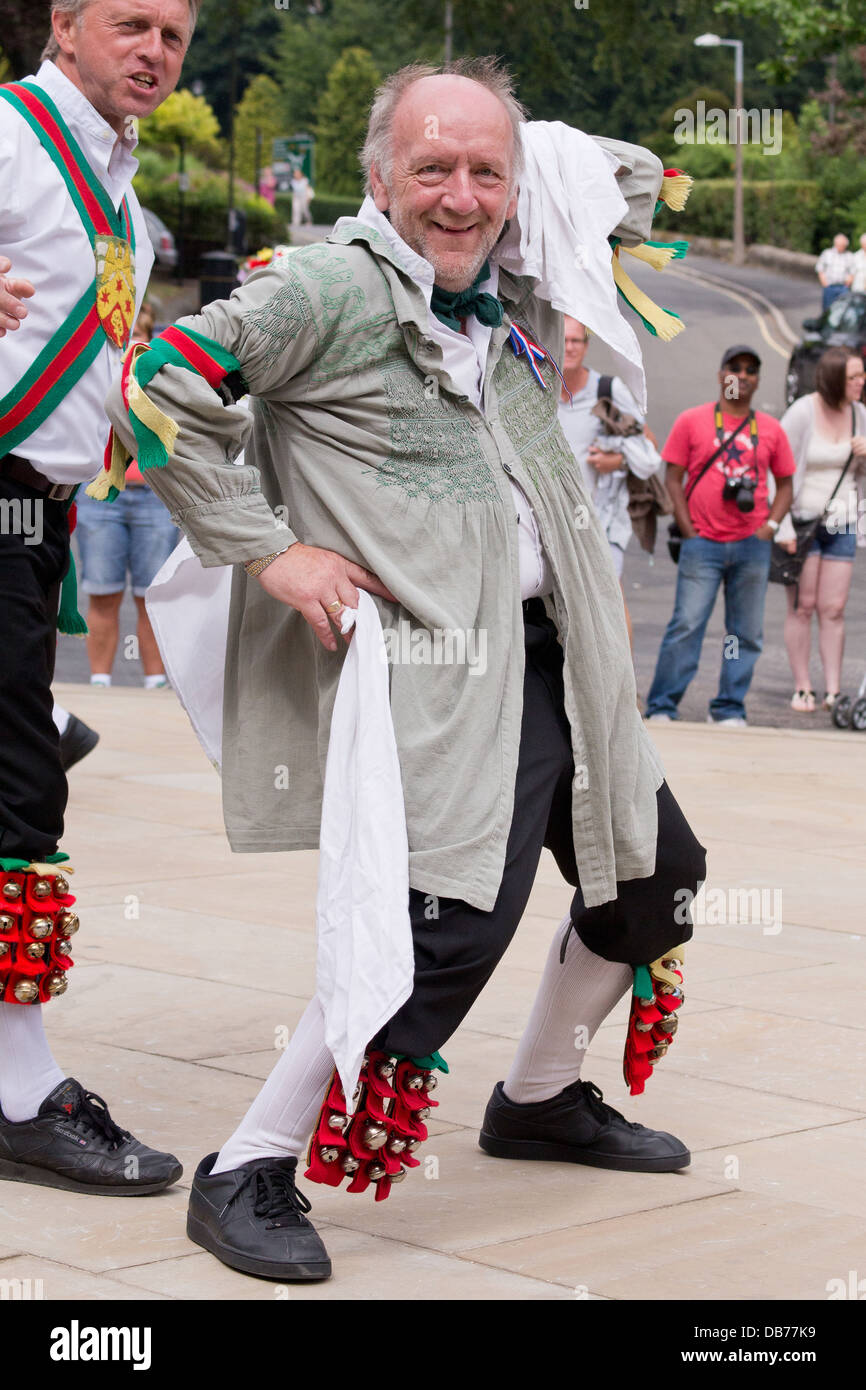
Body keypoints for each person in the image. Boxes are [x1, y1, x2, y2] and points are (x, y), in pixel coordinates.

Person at [105, 59, 706, 1284]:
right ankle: (247, 1167)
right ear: (377, 177)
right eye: (429, 167)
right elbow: (154, 387)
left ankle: (537, 1097)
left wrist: (531, 166)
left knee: (652, 879)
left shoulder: (515, 276)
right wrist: (271, 554)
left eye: (487, 171)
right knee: (437, 927)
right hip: (444, 665)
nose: (460, 195)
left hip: (562, 653)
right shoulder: (324, 287)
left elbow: (635, 191)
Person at [0, 0, 198, 1196]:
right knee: (22, 780)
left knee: (23, 760)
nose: (155, 53)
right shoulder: (11, 135)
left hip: (41, 518)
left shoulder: (119, 186)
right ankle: (21, 1093)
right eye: (131, 24)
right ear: (64, 24)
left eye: (174, 37)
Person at [645, 346, 795, 727]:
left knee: (742, 633)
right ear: (721, 375)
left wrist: (770, 528)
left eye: (751, 370)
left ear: (758, 380)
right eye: (735, 369)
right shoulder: (692, 421)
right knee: (687, 625)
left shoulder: (772, 430)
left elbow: (787, 485)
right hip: (703, 544)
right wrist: (689, 529)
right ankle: (663, 704)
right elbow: (673, 479)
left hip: (751, 546)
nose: (742, 376)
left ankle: (729, 707)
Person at [74, 300, 179, 687]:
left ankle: (155, 684)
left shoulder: (164, 376)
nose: (131, 343)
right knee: (102, 594)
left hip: (153, 496)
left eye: (139, 336)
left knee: (151, 598)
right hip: (102, 496)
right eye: (125, 336)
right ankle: (99, 682)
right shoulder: (97, 371)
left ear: (149, 341)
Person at [557, 314, 663, 648]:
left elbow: (648, 445)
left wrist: (615, 459)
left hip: (604, 519)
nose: (569, 347)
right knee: (561, 605)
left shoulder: (609, 390)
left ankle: (625, 690)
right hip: (558, 518)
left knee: (610, 598)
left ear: (587, 347)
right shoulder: (538, 388)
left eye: (576, 340)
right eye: (563, 339)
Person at [776, 346, 866, 712]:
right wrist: (780, 524)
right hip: (802, 521)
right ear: (833, 380)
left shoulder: (860, 414)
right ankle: (802, 687)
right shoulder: (802, 412)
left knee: (833, 608)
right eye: (854, 377)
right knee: (803, 606)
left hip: (842, 522)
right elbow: (776, 469)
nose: (861, 382)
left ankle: (832, 689)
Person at [815, 233, 855, 312]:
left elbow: (852, 271)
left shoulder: (849, 255)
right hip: (830, 286)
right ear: (835, 244)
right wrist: (824, 282)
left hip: (843, 287)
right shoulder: (827, 253)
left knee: (842, 310)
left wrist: (848, 283)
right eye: (839, 245)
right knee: (827, 309)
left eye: (842, 245)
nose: (840, 247)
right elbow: (820, 268)